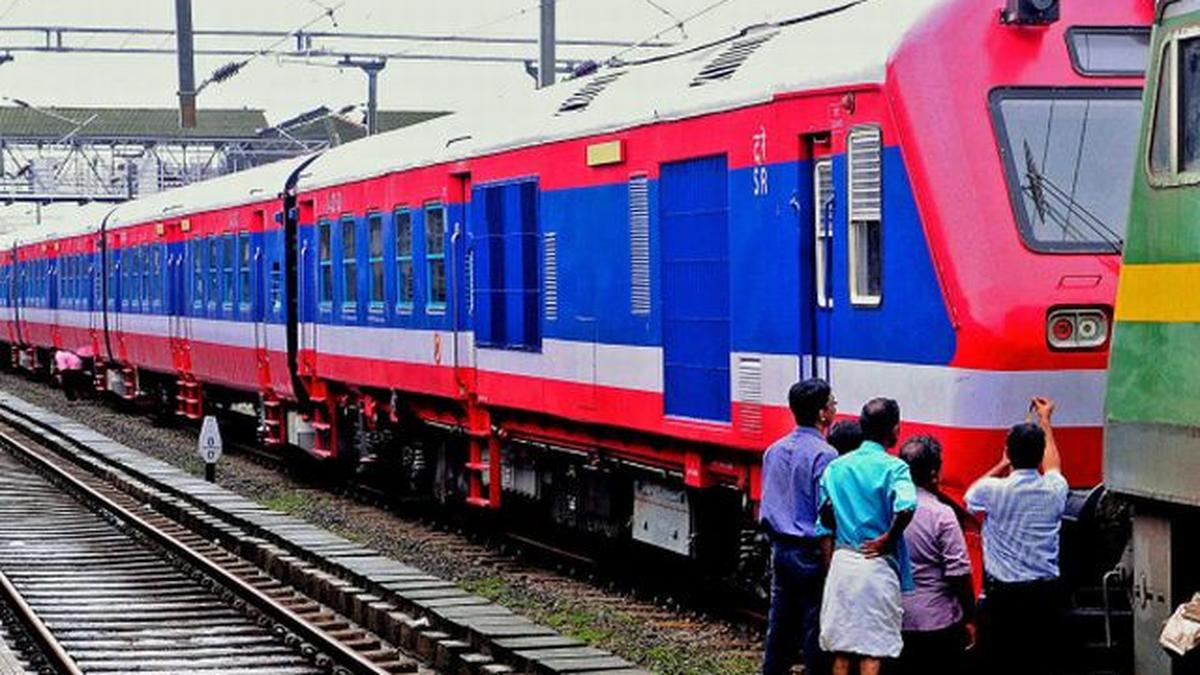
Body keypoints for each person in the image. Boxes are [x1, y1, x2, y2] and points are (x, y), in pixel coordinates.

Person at [965, 396, 1068, 675]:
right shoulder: (1055, 490)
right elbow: (1054, 465)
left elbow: (970, 496)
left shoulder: (993, 491)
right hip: (1044, 598)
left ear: (1009, 452)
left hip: (1003, 600)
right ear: (1040, 454)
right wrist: (1045, 421)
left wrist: (1001, 464)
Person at [817, 397, 917, 675]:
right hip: (876, 565)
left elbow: (824, 523)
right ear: (895, 430)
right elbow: (907, 506)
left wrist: (830, 568)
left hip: (842, 562)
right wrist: (888, 537)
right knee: (872, 651)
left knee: (841, 649)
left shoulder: (835, 468)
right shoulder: (895, 468)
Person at [759, 378, 838, 675]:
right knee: (813, 627)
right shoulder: (825, 455)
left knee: (779, 625)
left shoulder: (774, 450)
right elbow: (826, 513)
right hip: (811, 552)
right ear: (822, 413)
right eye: (832, 403)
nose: (834, 408)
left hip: (781, 548)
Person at [897, 435, 976, 675]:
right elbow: (959, 574)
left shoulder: (884, 509)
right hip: (937, 621)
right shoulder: (941, 514)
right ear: (934, 473)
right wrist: (969, 617)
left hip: (893, 618)